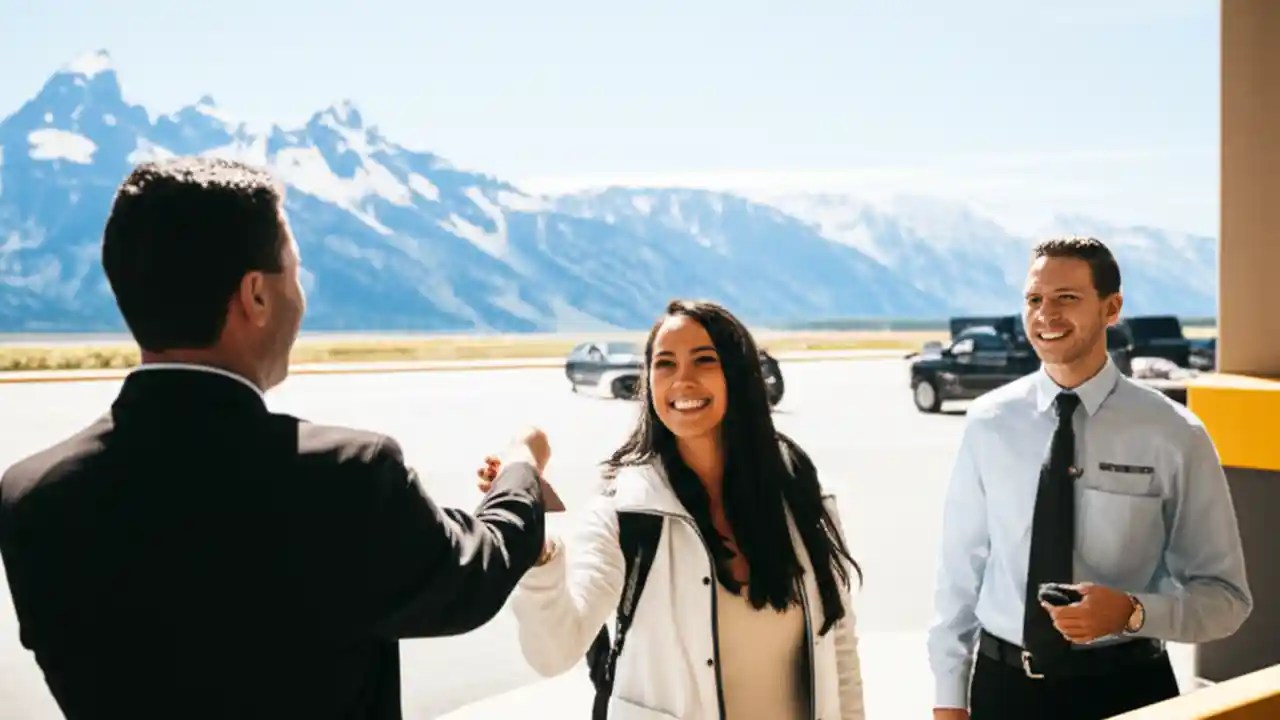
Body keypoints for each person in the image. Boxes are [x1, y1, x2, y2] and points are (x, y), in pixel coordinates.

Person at [0, 157, 550, 720]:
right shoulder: (346, 477)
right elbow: (475, 572)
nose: (302, 299)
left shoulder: (31, 496)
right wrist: (520, 464)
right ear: (256, 295)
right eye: (296, 271)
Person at [480, 299, 865, 719]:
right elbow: (553, 652)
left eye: (703, 360)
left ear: (738, 375)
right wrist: (537, 550)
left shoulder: (804, 496)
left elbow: (839, 647)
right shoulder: (625, 510)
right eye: (665, 364)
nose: (683, 380)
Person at [927, 237, 1252, 720]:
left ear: (1112, 307)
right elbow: (959, 573)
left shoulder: (1174, 434)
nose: (1046, 315)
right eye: (1034, 299)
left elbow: (1226, 599)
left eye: (1067, 298)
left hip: (1127, 691)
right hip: (1004, 692)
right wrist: (949, 697)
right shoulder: (988, 422)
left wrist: (1133, 612)